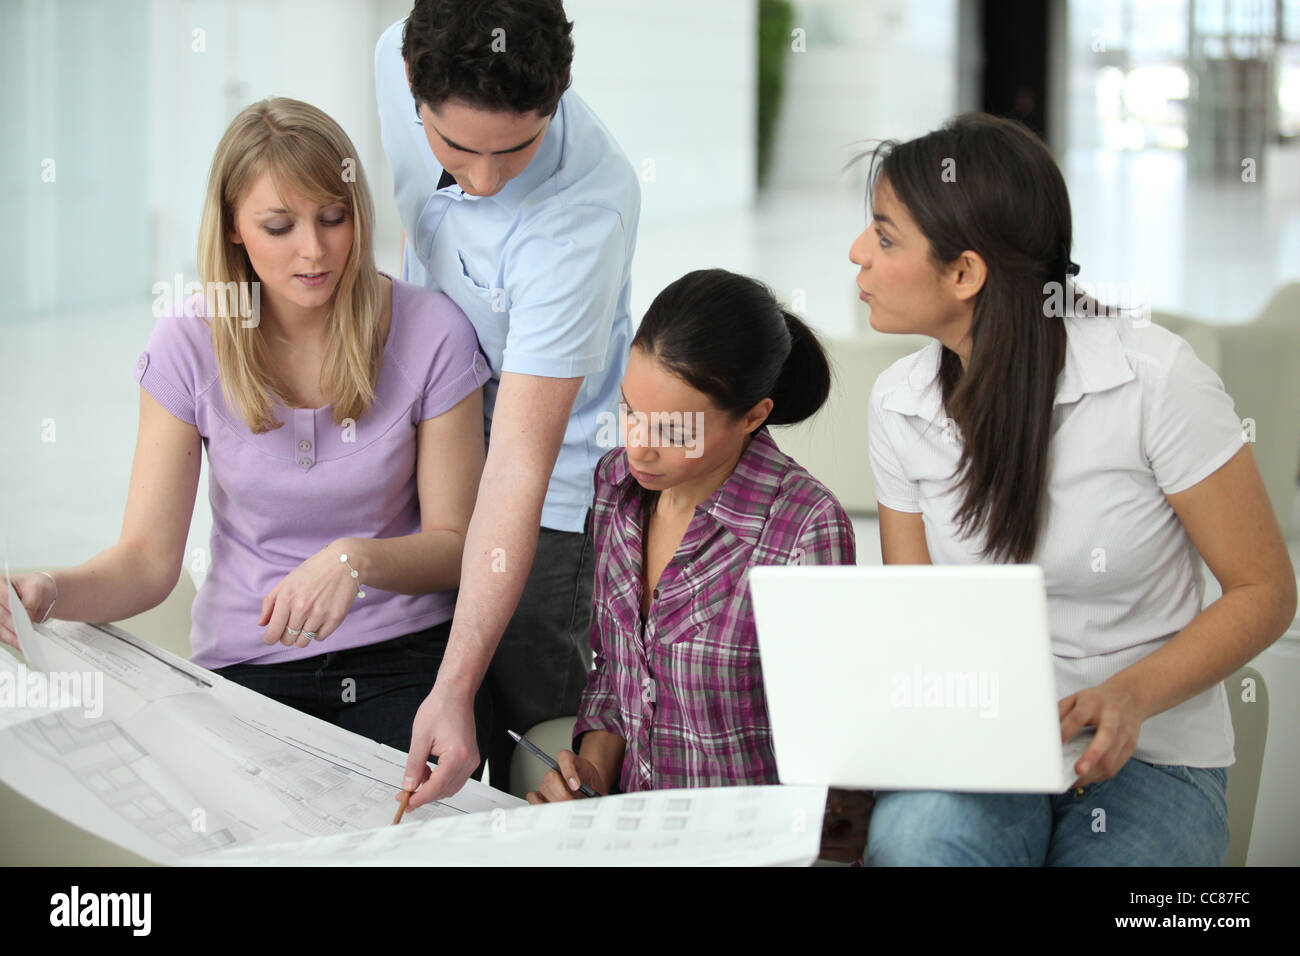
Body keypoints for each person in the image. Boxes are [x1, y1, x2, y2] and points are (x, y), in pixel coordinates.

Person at [854, 112, 1297, 865]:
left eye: (886, 236)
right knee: (918, 845)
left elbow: (1264, 590)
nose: (858, 253)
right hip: (982, 748)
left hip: (1154, 753)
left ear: (965, 273)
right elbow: (919, 621)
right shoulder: (899, 403)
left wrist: (1131, 694)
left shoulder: (1155, 380)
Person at [0, 97, 493, 758]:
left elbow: (459, 545)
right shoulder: (187, 342)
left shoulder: (432, 331)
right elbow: (147, 562)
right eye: (279, 226)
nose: (314, 250)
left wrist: (357, 557)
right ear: (235, 228)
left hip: (404, 658)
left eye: (332, 218)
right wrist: (52, 592)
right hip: (248, 667)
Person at [374, 0, 640, 800]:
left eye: (515, 149)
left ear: (557, 100)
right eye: (455, 148)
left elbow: (520, 465)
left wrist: (457, 686)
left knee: (539, 748)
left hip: (544, 495)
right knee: (437, 717)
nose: (482, 179)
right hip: (435, 441)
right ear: (412, 86)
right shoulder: (395, 53)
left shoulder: (582, 218)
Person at [520, 269, 870, 861]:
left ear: (754, 416)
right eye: (630, 411)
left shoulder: (805, 531)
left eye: (671, 428)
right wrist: (593, 776)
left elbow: (836, 761)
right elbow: (617, 675)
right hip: (629, 836)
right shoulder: (616, 488)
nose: (638, 446)